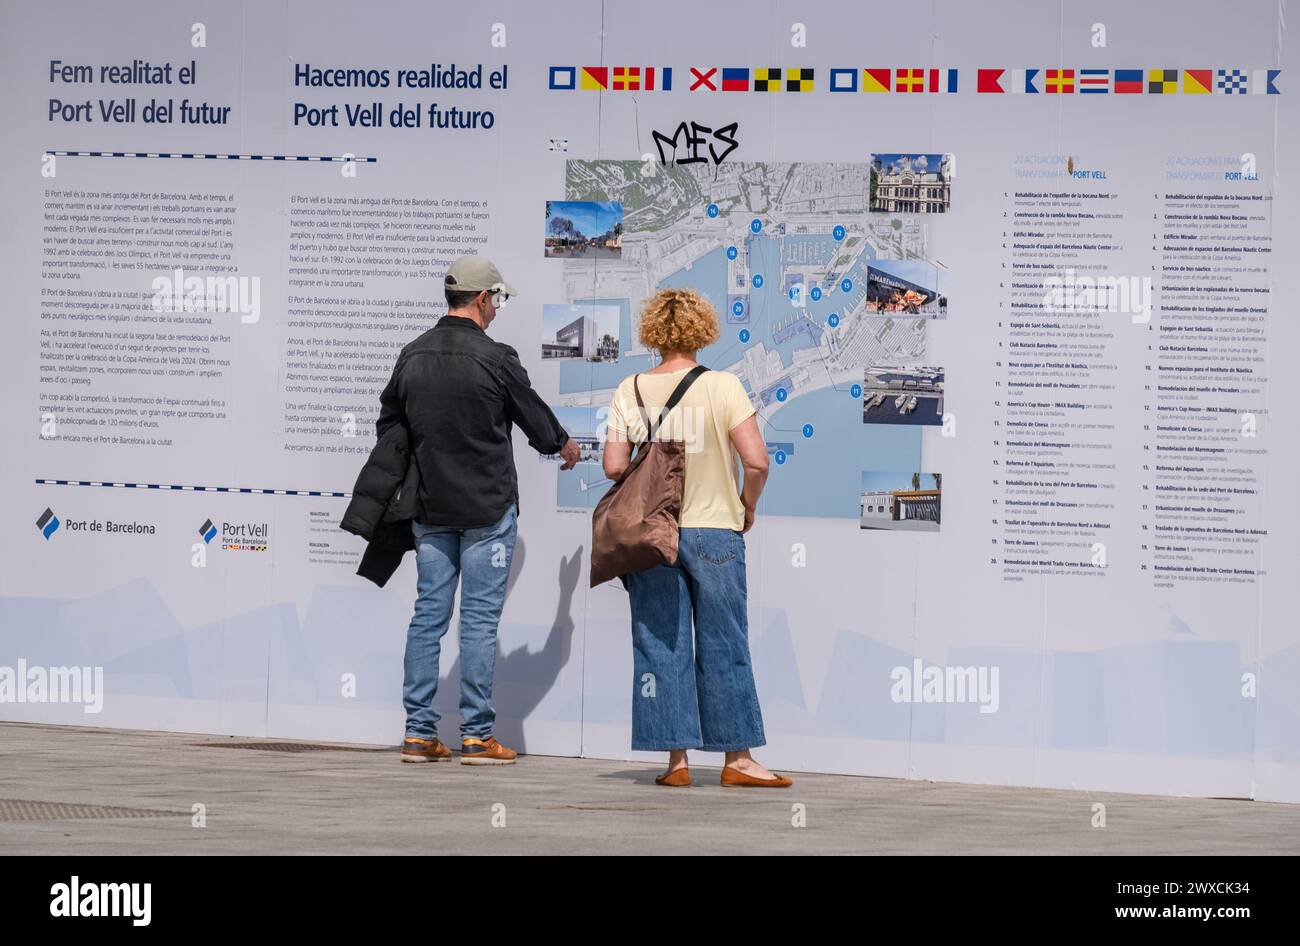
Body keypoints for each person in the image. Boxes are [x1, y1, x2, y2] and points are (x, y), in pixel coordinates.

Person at [362, 256, 580, 766]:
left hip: (430, 510)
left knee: (427, 618)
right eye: (498, 299)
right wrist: (564, 446)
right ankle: (478, 737)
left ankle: (419, 734)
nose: (498, 309)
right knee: (479, 623)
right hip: (487, 509)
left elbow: (390, 427)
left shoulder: (412, 355)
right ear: (482, 298)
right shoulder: (497, 357)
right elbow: (535, 419)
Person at [601, 288, 791, 788]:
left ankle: (676, 762)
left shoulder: (630, 389)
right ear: (702, 330)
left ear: (653, 332)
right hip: (715, 531)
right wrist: (747, 504)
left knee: (661, 644)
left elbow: (614, 466)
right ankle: (738, 760)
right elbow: (757, 462)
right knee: (725, 643)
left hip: (652, 534)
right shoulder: (724, 387)